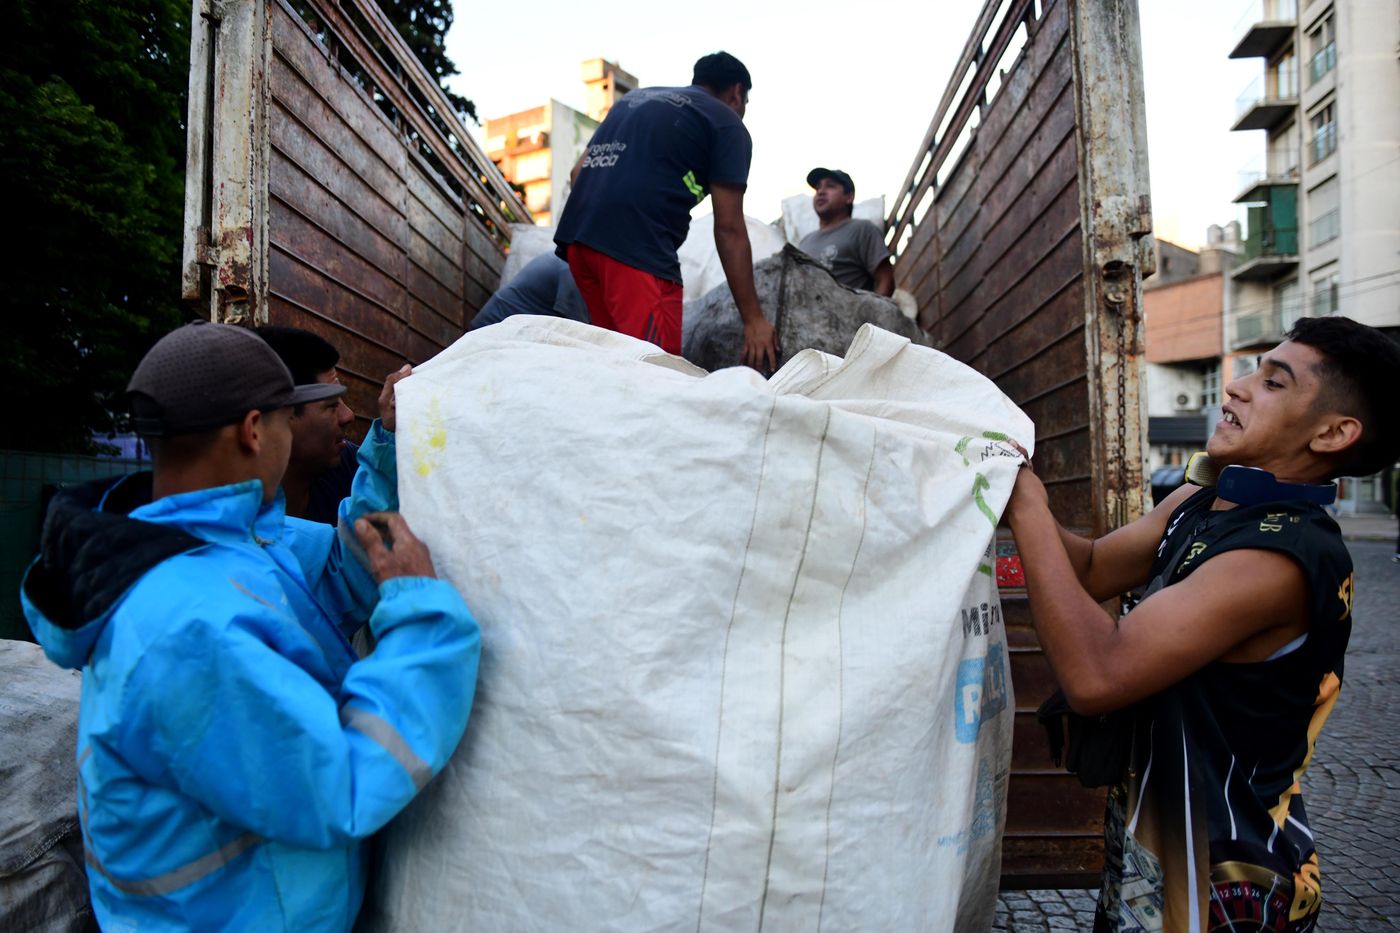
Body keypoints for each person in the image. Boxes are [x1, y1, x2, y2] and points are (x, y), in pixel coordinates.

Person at [21, 321, 480, 930]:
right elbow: (337, 788)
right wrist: (425, 618)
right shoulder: (188, 631)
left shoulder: (222, 547)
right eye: (292, 420)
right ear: (254, 429)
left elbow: (343, 574)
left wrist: (388, 447)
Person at [1005, 316, 1400, 931]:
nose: (1236, 387)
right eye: (1252, 369)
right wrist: (1007, 472)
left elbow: (1097, 673)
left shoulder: (1278, 559)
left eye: (1273, 383)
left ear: (1333, 433)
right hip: (1146, 865)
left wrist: (1026, 504)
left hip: (1225, 890)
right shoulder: (1205, 498)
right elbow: (1087, 567)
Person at [554, 51, 778, 371]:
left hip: (579, 240)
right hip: (636, 249)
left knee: (616, 365)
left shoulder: (632, 100)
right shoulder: (727, 123)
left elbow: (578, 174)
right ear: (737, 93)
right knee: (657, 372)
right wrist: (754, 319)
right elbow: (729, 227)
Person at [255, 325, 358, 524]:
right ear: (282, 414)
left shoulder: (352, 470)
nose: (348, 416)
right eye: (331, 405)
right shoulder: (236, 525)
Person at [797, 168, 894, 296]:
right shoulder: (804, 243)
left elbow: (885, 279)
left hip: (849, 314)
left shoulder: (862, 230)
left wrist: (872, 315)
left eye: (830, 186)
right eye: (817, 188)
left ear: (849, 197)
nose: (820, 191)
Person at [468, 252, 590, 332]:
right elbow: (582, 331)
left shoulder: (563, 260)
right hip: (490, 332)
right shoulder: (569, 268)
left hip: (503, 332)